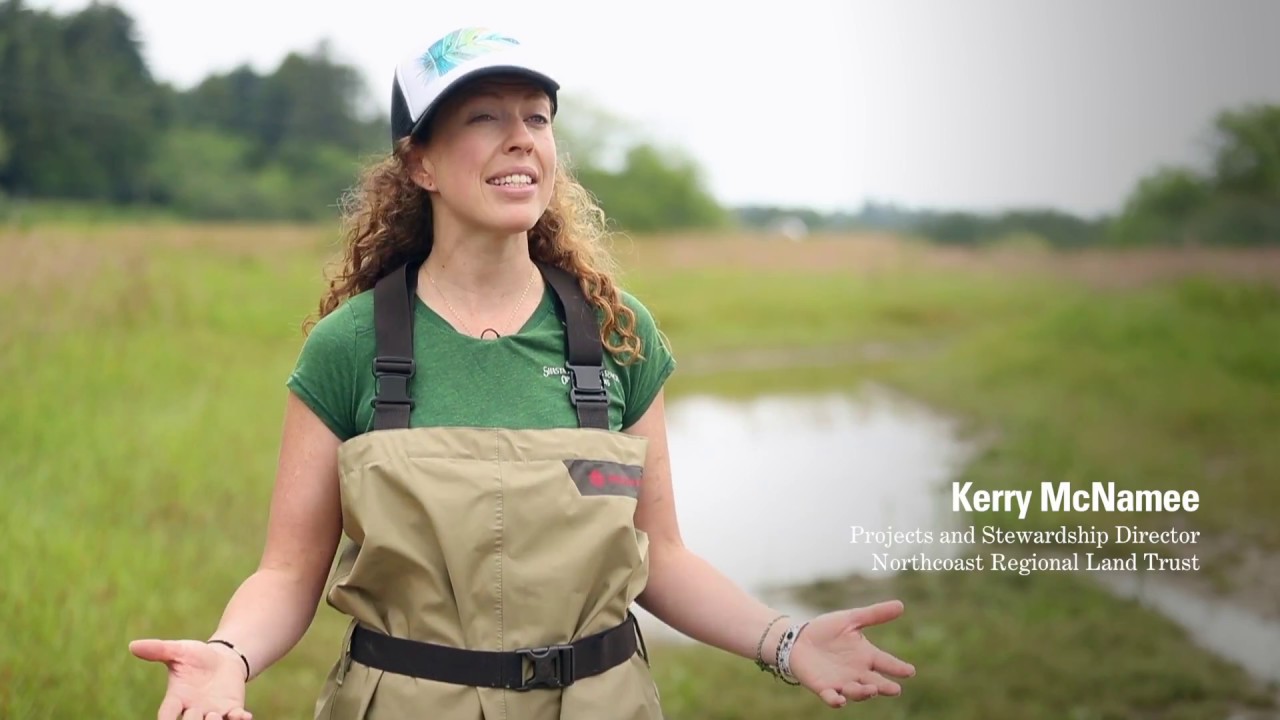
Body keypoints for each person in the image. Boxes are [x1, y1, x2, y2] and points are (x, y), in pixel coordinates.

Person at [128, 25, 916, 720]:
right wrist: (228, 656)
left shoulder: (616, 333)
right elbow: (288, 569)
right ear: (421, 163)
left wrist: (785, 639)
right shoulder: (351, 345)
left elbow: (660, 558)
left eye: (536, 117)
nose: (521, 138)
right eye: (484, 117)